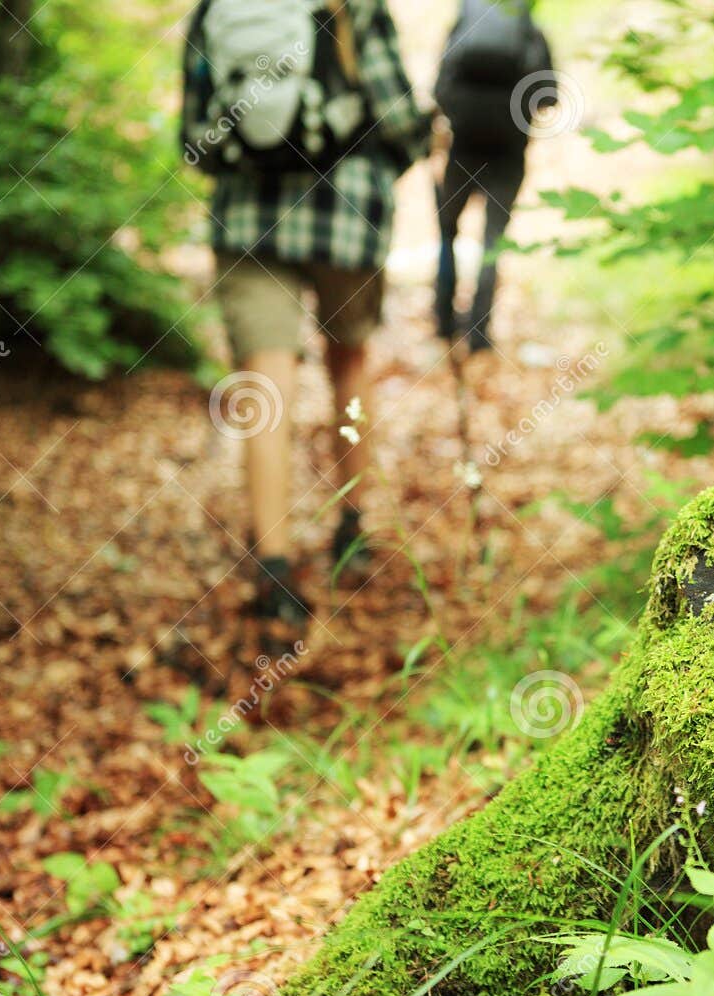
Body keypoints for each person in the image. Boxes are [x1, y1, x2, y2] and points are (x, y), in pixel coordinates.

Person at [181, 0, 433, 625]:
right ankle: (352, 520)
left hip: (247, 220)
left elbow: (194, 139)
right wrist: (417, 142)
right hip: (346, 219)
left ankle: (275, 568)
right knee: (348, 363)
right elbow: (398, 116)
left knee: (267, 384)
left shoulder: (219, 9)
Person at [433, 0, 555, 352]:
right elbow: (548, 97)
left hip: (464, 149)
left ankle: (443, 321)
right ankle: (478, 333)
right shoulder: (531, 33)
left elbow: (440, 88)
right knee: (492, 242)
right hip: (508, 153)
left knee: (447, 231)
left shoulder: (464, 26)